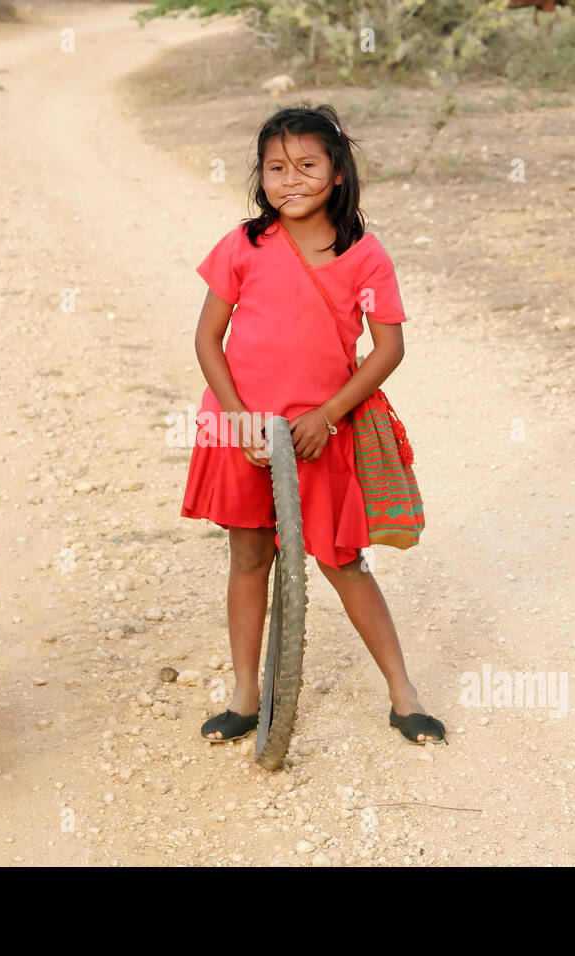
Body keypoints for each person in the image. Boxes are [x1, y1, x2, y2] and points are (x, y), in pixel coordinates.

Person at [181, 104, 445, 746]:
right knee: (248, 556)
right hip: (241, 430)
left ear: (336, 173)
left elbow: (388, 349)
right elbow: (208, 338)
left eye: (306, 165)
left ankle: (403, 694)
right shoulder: (243, 244)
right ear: (260, 176)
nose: (290, 179)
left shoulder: (364, 254)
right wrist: (239, 420)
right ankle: (246, 695)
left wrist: (328, 416)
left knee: (344, 561)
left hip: (321, 432)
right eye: (276, 167)